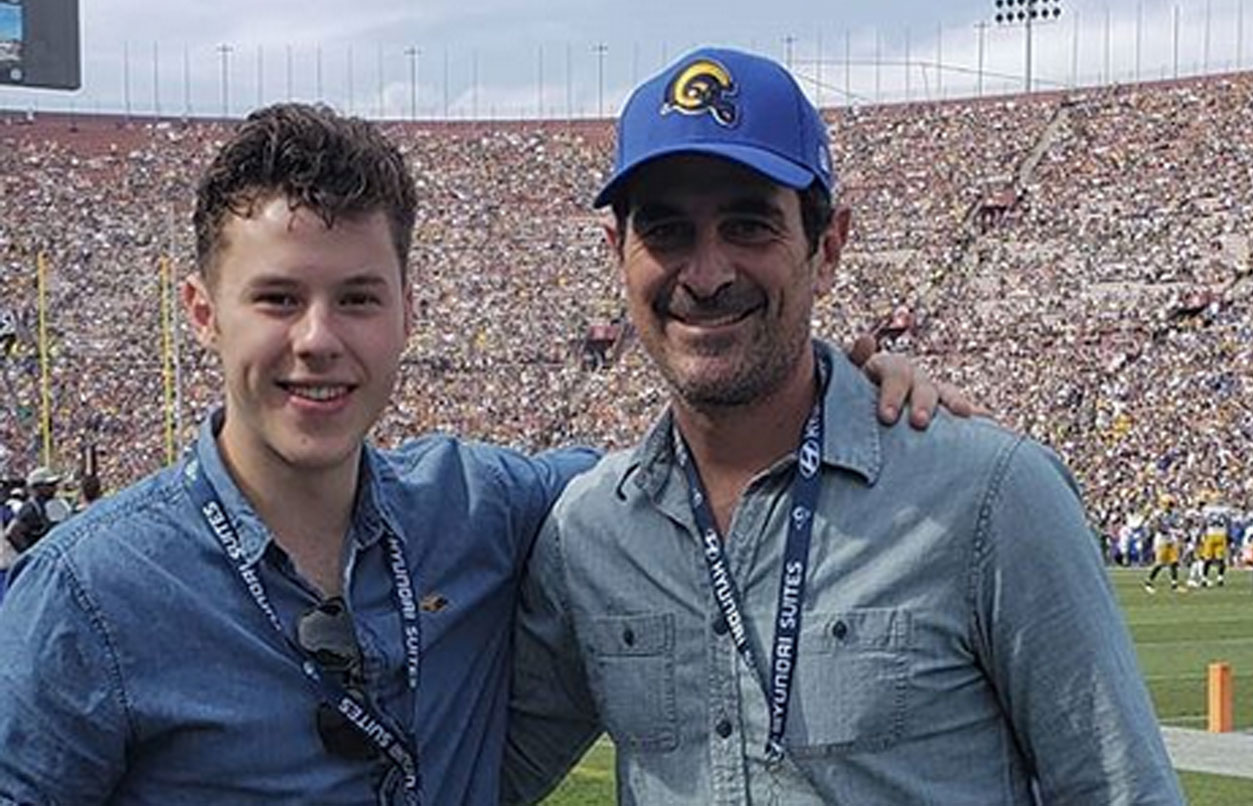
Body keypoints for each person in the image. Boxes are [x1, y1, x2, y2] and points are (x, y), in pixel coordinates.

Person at [0, 103, 955, 806]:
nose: (318, 339)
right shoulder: (88, 595)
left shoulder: (480, 507)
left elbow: (696, 461)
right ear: (203, 314)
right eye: (278, 299)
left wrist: (853, 381)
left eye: (360, 298)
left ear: (411, 310)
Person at [504, 47, 1182, 805]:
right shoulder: (589, 531)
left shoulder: (990, 494)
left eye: (749, 226)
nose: (705, 273)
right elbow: (468, 772)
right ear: (617, 258)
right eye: (666, 232)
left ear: (827, 249)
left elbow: (1121, 791)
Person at [2, 466, 70, 558]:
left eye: (54, 484)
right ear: (37, 487)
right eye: (49, 485)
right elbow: (12, 532)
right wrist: (31, 555)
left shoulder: (54, 504)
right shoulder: (31, 508)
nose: (54, 488)